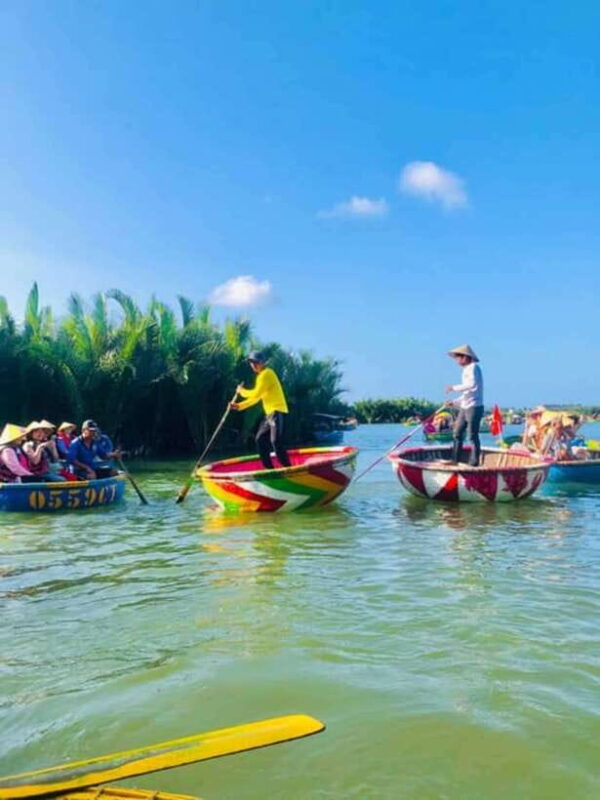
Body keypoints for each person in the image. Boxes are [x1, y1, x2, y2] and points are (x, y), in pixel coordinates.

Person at [230, 351, 291, 470]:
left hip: (277, 411)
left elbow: (256, 393)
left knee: (275, 440)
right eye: (251, 363)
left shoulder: (268, 374)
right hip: (269, 415)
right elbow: (256, 398)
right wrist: (239, 406)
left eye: (256, 362)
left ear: (262, 363)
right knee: (259, 439)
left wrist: (241, 391)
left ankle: (288, 468)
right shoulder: (260, 377)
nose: (254, 365)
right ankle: (269, 469)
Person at [445, 344, 484, 466]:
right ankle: (455, 459)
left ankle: (474, 462)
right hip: (465, 406)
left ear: (465, 357)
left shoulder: (473, 367)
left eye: (458, 357)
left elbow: (472, 385)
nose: (456, 360)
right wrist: (455, 402)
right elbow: (467, 393)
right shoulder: (465, 370)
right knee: (457, 432)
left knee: (472, 435)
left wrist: (453, 387)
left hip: (474, 407)